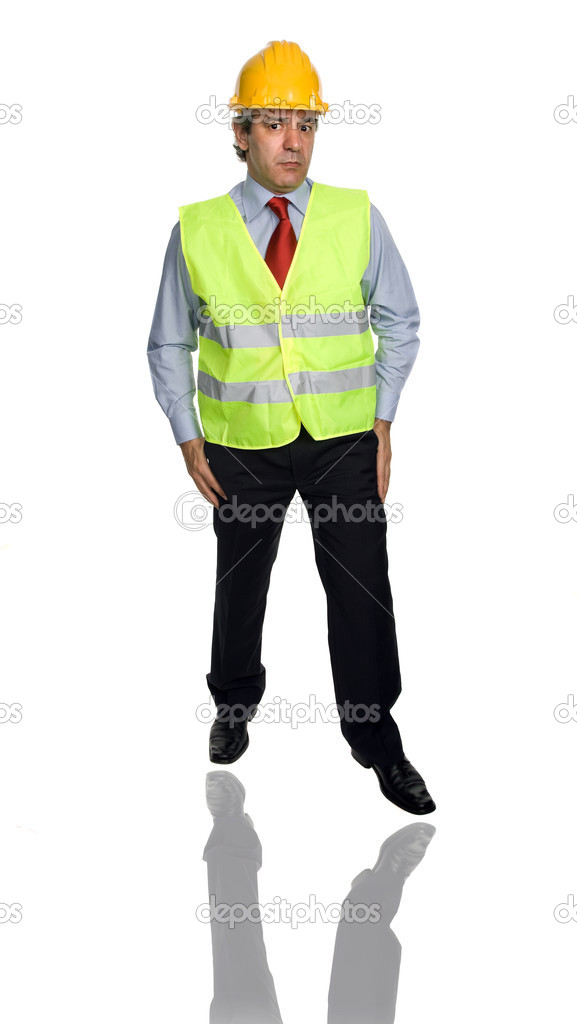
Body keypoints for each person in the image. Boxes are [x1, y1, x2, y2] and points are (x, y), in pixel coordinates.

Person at [147, 40, 436, 815]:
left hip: (344, 439)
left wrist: (381, 421)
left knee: (362, 591)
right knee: (241, 586)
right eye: (273, 123)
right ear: (239, 134)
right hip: (241, 445)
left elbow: (399, 320)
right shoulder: (199, 230)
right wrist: (187, 435)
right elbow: (169, 339)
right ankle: (234, 703)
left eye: (304, 122)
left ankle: (377, 741)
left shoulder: (354, 215)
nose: (293, 140)